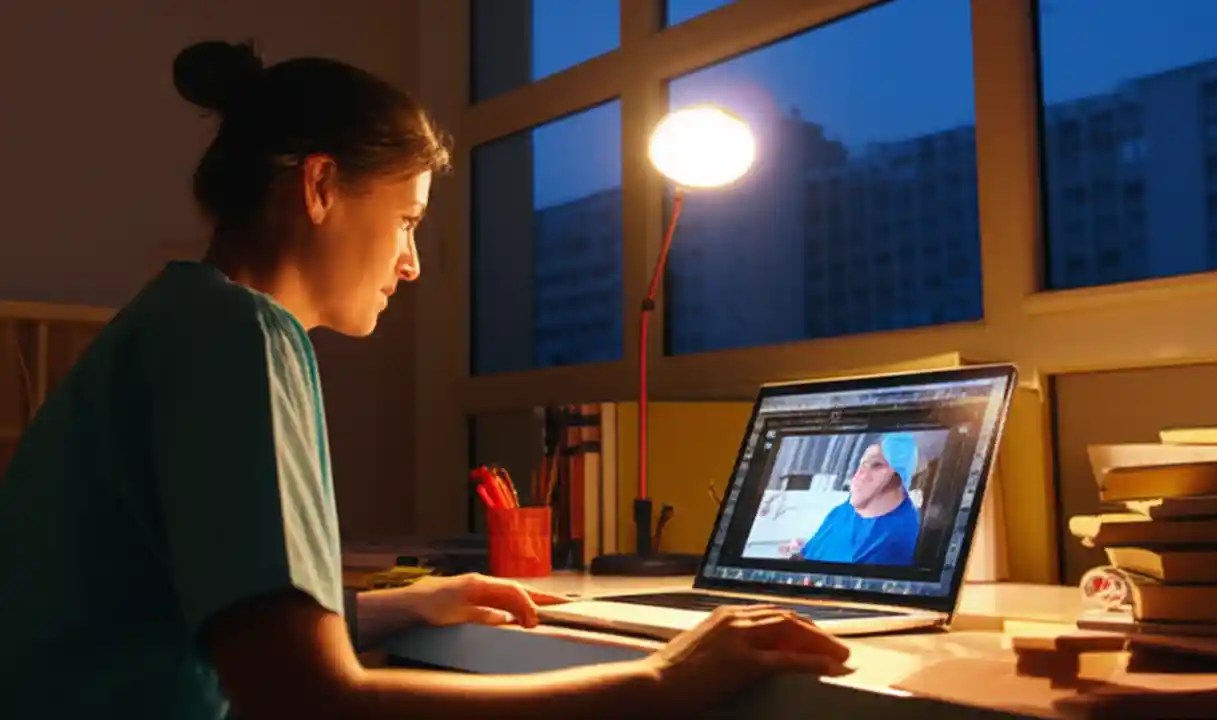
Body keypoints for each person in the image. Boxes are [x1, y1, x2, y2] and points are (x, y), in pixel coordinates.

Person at [0, 41, 849, 719]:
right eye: (407, 220)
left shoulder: (166, 321)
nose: (411, 265)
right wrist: (663, 681)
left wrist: (399, 607)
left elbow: (188, 623)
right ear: (321, 184)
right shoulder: (241, 336)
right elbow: (307, 698)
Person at [779, 433, 921, 565]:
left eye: (876, 465)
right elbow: (813, 552)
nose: (860, 474)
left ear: (898, 478)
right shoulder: (844, 511)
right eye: (862, 465)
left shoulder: (895, 537)